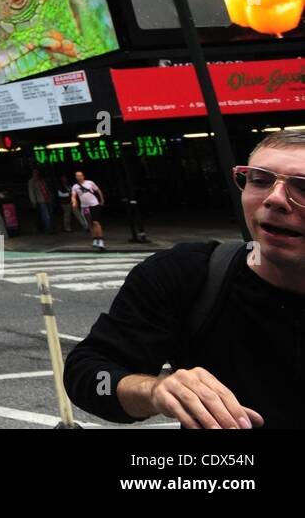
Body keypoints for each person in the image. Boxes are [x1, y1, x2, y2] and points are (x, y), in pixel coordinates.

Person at [63, 130, 305, 428]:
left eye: (302, 186)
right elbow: (88, 375)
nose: (275, 198)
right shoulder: (187, 274)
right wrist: (155, 391)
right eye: (259, 180)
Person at [72, 170, 106, 250]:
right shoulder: (75, 186)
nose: (79, 177)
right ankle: (95, 239)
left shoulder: (90, 183)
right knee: (90, 223)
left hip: (94, 204)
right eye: (77, 176)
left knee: (96, 222)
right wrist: (74, 202)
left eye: (80, 175)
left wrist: (102, 199)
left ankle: (101, 240)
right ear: (76, 177)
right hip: (85, 206)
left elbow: (98, 190)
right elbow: (73, 196)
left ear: (83, 176)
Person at [28, 169, 55, 233]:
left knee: (50, 213)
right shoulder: (31, 181)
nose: (36, 174)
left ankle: (50, 226)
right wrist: (33, 201)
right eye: (34, 173)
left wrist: (51, 196)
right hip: (41, 200)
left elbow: (47, 188)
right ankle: (48, 228)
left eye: (37, 172)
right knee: (46, 214)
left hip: (48, 199)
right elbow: (31, 192)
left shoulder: (42, 179)